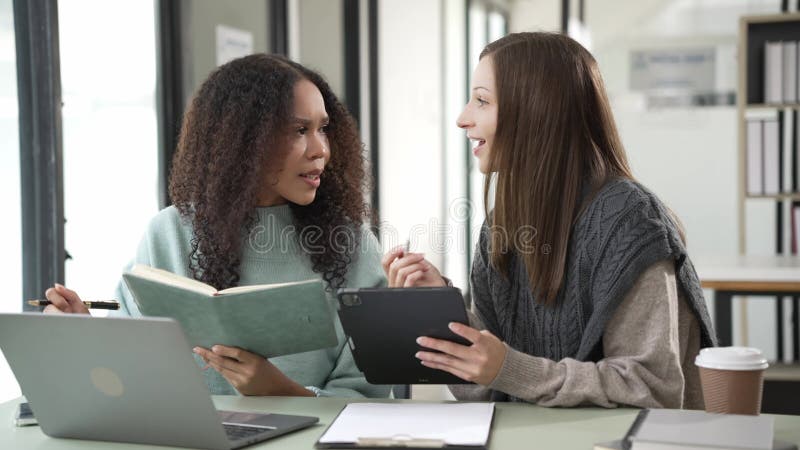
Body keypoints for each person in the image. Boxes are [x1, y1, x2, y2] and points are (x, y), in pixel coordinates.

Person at [382, 32, 716, 409]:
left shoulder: (629, 222)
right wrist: (440, 305)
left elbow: (651, 388)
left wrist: (510, 370)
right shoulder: (501, 225)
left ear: (537, 110)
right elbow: (483, 388)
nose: (462, 118)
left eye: (481, 101)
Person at [43, 53, 389, 399]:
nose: (321, 150)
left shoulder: (353, 245)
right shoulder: (169, 233)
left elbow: (369, 398)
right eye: (300, 130)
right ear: (244, 141)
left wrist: (281, 391)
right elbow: (128, 372)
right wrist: (81, 334)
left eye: (323, 129)